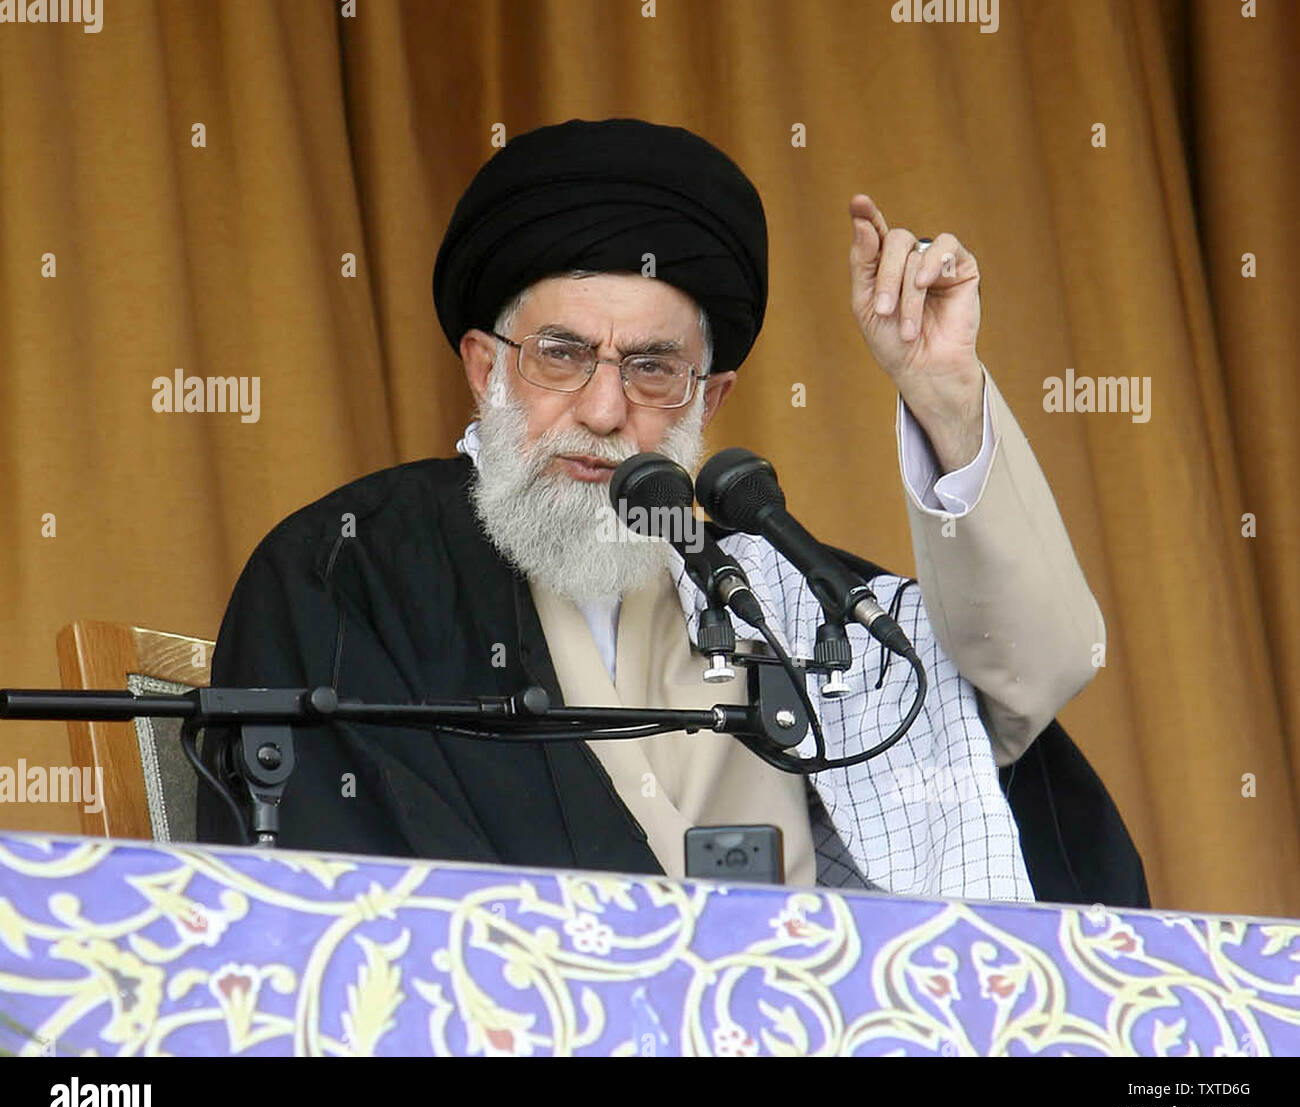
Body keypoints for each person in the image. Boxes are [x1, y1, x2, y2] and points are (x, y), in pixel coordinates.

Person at [197, 117, 1143, 905]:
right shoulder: (354, 571)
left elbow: (1030, 681)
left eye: (652, 369)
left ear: (710, 401)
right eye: (561, 354)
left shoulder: (777, 592)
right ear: (486, 368)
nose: (605, 412)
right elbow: (331, 914)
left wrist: (945, 392)